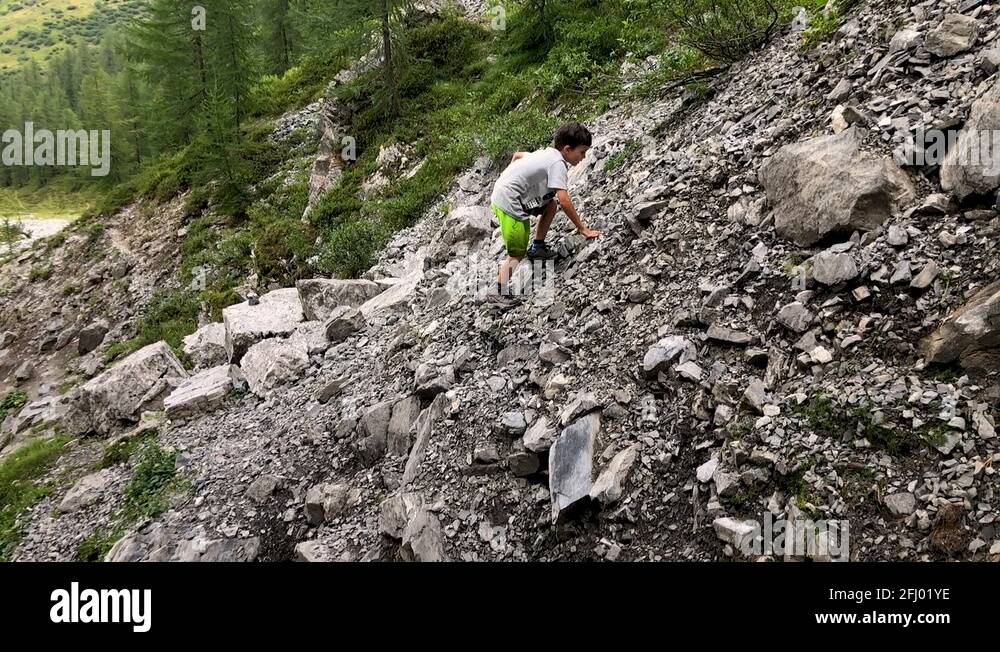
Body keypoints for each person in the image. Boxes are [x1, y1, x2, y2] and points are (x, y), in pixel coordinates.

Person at [490, 122, 603, 295]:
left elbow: (517, 155)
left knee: (550, 204)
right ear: (567, 149)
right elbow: (564, 200)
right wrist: (582, 229)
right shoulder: (558, 164)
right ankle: (498, 293)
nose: (584, 157)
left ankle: (538, 248)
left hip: (505, 192)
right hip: (508, 201)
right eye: (582, 152)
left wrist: (507, 178)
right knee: (517, 252)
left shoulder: (546, 154)